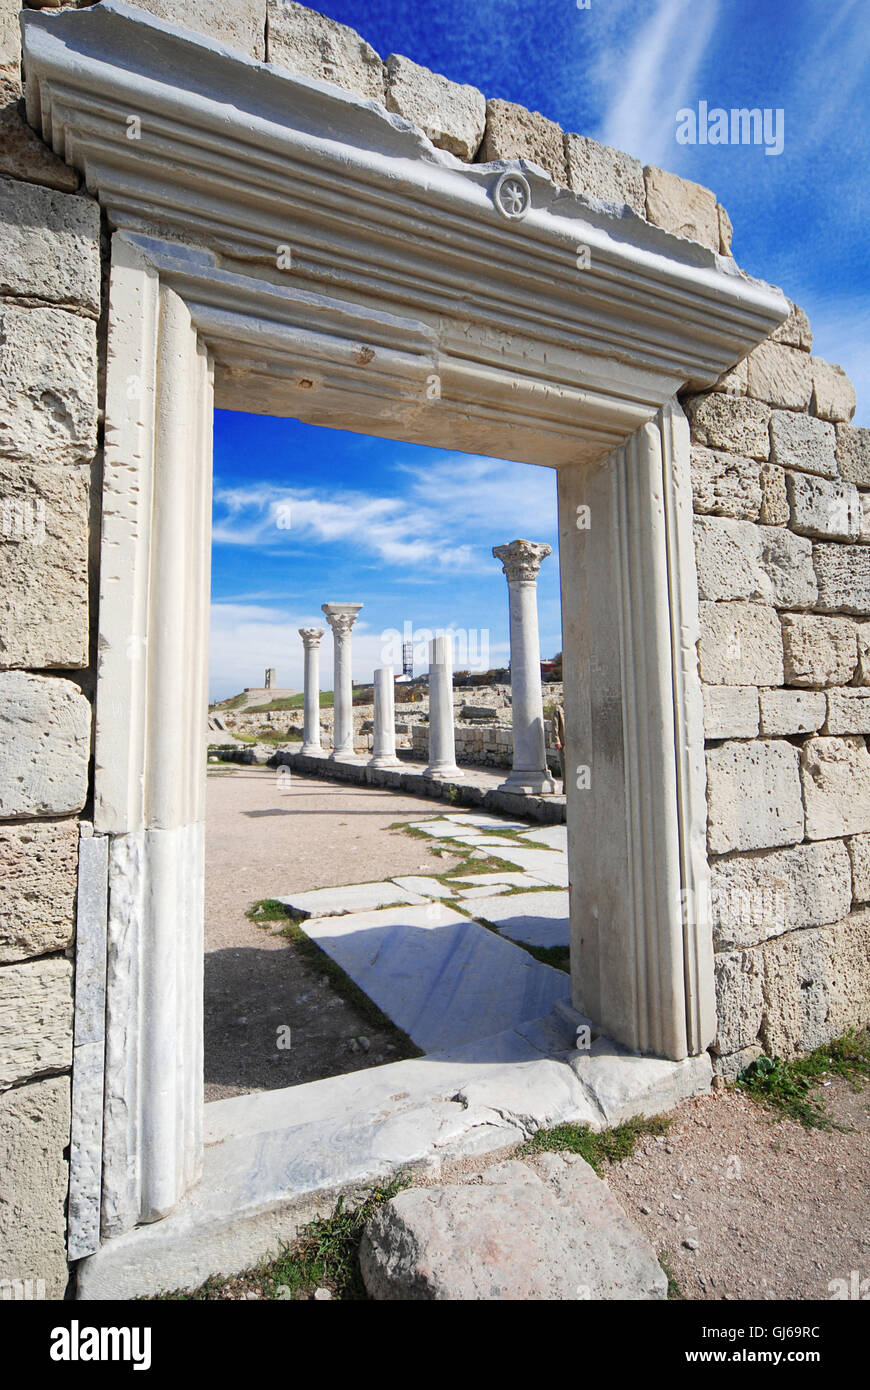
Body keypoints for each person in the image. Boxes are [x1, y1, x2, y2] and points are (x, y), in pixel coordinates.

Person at [552, 703, 566, 791]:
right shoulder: (558, 708)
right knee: (565, 766)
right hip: (564, 742)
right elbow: (555, 725)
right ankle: (566, 788)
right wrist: (557, 740)